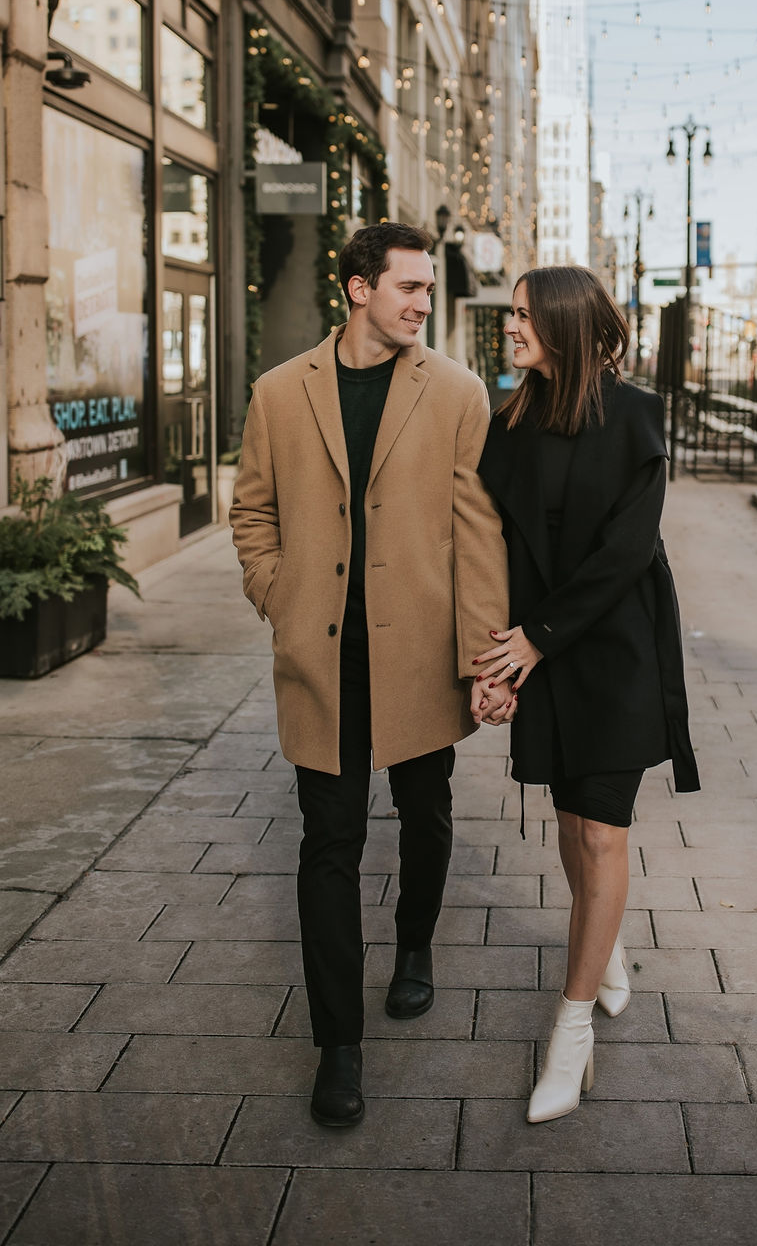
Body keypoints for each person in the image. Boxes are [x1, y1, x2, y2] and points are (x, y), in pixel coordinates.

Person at [230, 221, 510, 1128]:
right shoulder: (278, 392)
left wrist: (482, 660)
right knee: (329, 846)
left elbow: (477, 535)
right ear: (357, 288)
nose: (424, 303)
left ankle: (417, 948)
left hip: (422, 653)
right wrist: (278, 594)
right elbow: (253, 512)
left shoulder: (458, 393)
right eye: (409, 288)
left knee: (425, 816)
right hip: (321, 658)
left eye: (429, 289)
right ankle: (338, 1044)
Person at [475, 265, 699, 1125]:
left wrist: (538, 637)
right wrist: (494, 655)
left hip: (614, 652)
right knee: (569, 822)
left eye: (526, 316)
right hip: (539, 656)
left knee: (602, 830)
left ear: (566, 327)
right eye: (513, 314)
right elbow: (491, 544)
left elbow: (626, 550)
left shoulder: (637, 415)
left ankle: (571, 1034)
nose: (513, 326)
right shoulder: (511, 421)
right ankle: (603, 950)